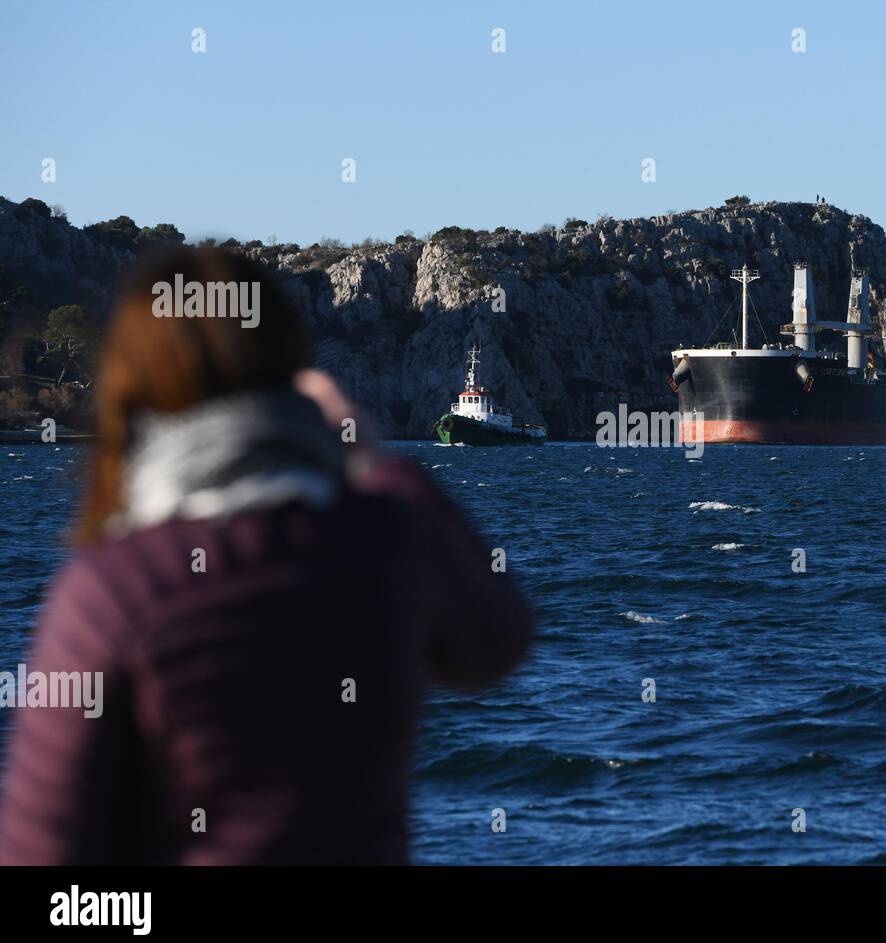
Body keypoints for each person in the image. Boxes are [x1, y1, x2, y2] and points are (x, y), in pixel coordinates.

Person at [0, 247, 532, 864]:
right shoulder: (388, 541)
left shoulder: (117, 590)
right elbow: (498, 638)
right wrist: (369, 456)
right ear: (290, 367)